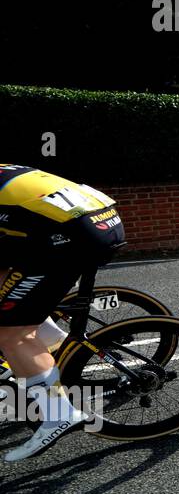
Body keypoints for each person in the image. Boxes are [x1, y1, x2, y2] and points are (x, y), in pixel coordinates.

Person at [0, 164, 125, 461]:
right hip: (95, 219)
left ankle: (59, 414)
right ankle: (53, 342)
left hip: (67, 239)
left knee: (10, 332)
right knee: (10, 293)